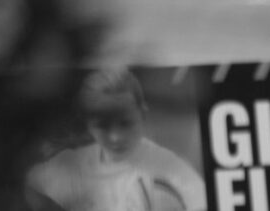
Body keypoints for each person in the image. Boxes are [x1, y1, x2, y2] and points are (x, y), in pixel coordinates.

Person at [22, 69, 207, 211]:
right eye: (102, 126)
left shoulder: (174, 173)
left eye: (126, 124)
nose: (115, 137)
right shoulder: (71, 167)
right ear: (88, 124)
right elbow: (31, 184)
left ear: (142, 114)